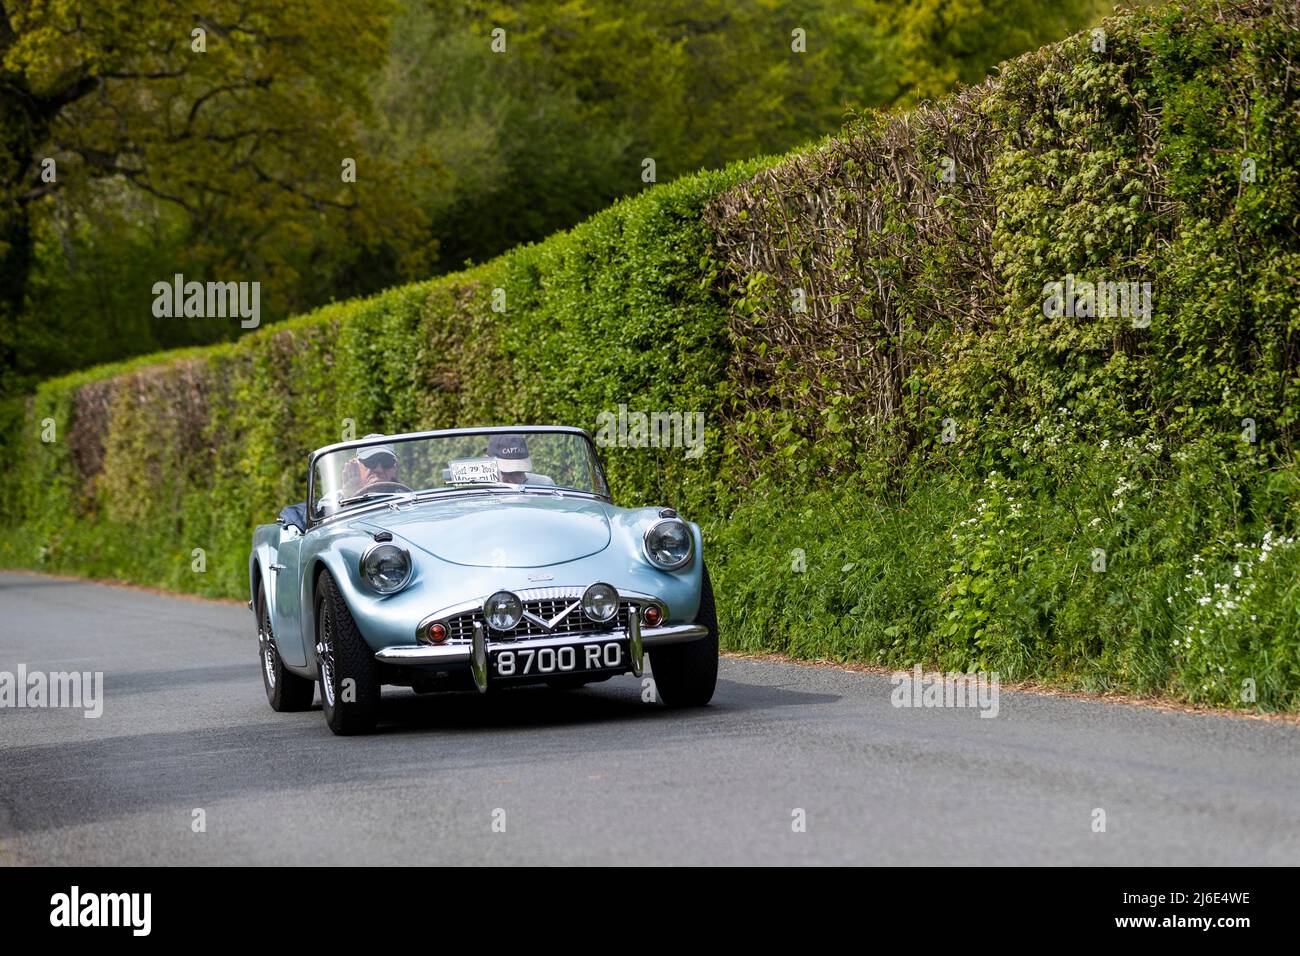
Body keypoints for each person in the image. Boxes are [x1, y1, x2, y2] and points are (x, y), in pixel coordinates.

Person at [486, 433, 555, 486]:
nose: (515, 481)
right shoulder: (480, 489)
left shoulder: (544, 484)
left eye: (519, 472)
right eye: (508, 473)